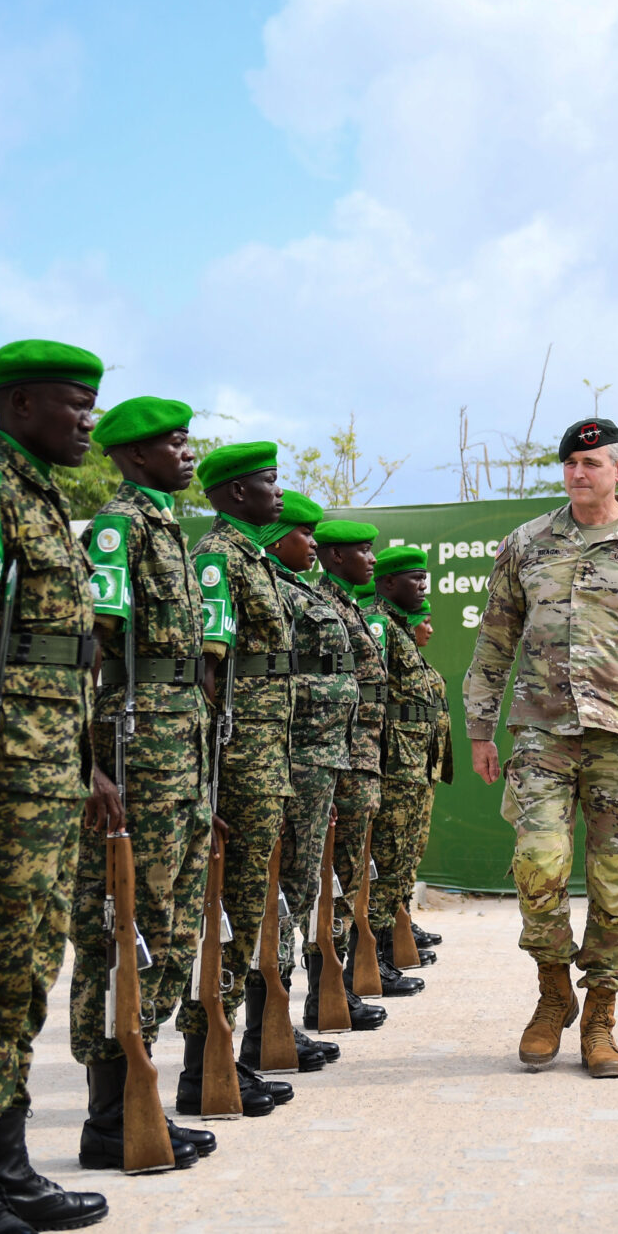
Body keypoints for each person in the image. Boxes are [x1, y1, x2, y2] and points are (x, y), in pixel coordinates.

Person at [465, 417, 618, 1078]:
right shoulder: (527, 544)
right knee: (538, 862)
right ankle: (553, 992)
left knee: (616, 885)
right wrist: (481, 729)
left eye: (593, 462)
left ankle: (601, 1012)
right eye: (572, 462)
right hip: (542, 732)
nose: (580, 472)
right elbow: (495, 640)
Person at [0, 341, 111, 1228]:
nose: (88, 419)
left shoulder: (45, 496)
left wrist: (82, 765)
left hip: (46, 775)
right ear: (17, 407)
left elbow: (62, 663)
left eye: (92, 405)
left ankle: (7, 1165)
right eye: (73, 404)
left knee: (32, 964)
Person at [68, 396, 218, 1171]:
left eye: (188, 439)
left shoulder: (166, 527)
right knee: (122, 927)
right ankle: (107, 1115)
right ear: (131, 455)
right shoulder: (119, 529)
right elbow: (86, 646)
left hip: (178, 747)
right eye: (172, 440)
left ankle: (140, 1098)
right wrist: (85, 758)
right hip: (132, 749)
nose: (187, 451)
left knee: (168, 924)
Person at [177, 440, 312, 1096]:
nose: (279, 492)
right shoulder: (216, 560)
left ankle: (224, 1052)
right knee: (227, 908)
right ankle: (204, 1060)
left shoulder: (252, 556)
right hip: (236, 757)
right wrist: (206, 777)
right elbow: (207, 675)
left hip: (266, 753)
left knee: (250, 902)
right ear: (235, 493)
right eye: (268, 481)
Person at [264, 495, 386, 1037]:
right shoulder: (292, 593)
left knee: (321, 882)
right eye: (304, 534)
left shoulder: (324, 598)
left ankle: (315, 996)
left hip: (332, 759)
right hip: (298, 759)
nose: (310, 544)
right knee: (293, 887)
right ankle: (277, 1019)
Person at [312, 521, 415, 999]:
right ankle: (327, 989)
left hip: (362, 761)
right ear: (335, 557)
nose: (372, 560)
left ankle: (339, 983)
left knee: (352, 875)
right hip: (342, 763)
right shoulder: (324, 606)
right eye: (362, 551)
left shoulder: (347, 606)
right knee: (335, 878)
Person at [365, 546, 450, 977]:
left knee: (400, 861)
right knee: (386, 858)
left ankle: (386, 949)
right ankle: (372, 959)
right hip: (393, 764)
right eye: (414, 579)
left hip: (413, 762)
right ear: (387, 583)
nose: (423, 587)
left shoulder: (398, 627)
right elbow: (373, 699)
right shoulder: (380, 625)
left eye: (425, 578)